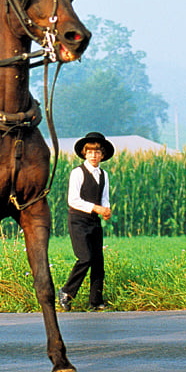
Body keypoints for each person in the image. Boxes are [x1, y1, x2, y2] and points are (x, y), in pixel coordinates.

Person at [57, 132, 114, 312]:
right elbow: (73, 200)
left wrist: (106, 210)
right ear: (84, 153)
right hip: (78, 221)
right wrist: (96, 208)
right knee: (85, 258)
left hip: (94, 222)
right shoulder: (77, 173)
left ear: (102, 155)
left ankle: (96, 301)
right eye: (90, 151)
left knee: (98, 262)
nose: (93, 155)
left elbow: (104, 197)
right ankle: (66, 292)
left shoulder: (104, 175)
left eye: (97, 152)